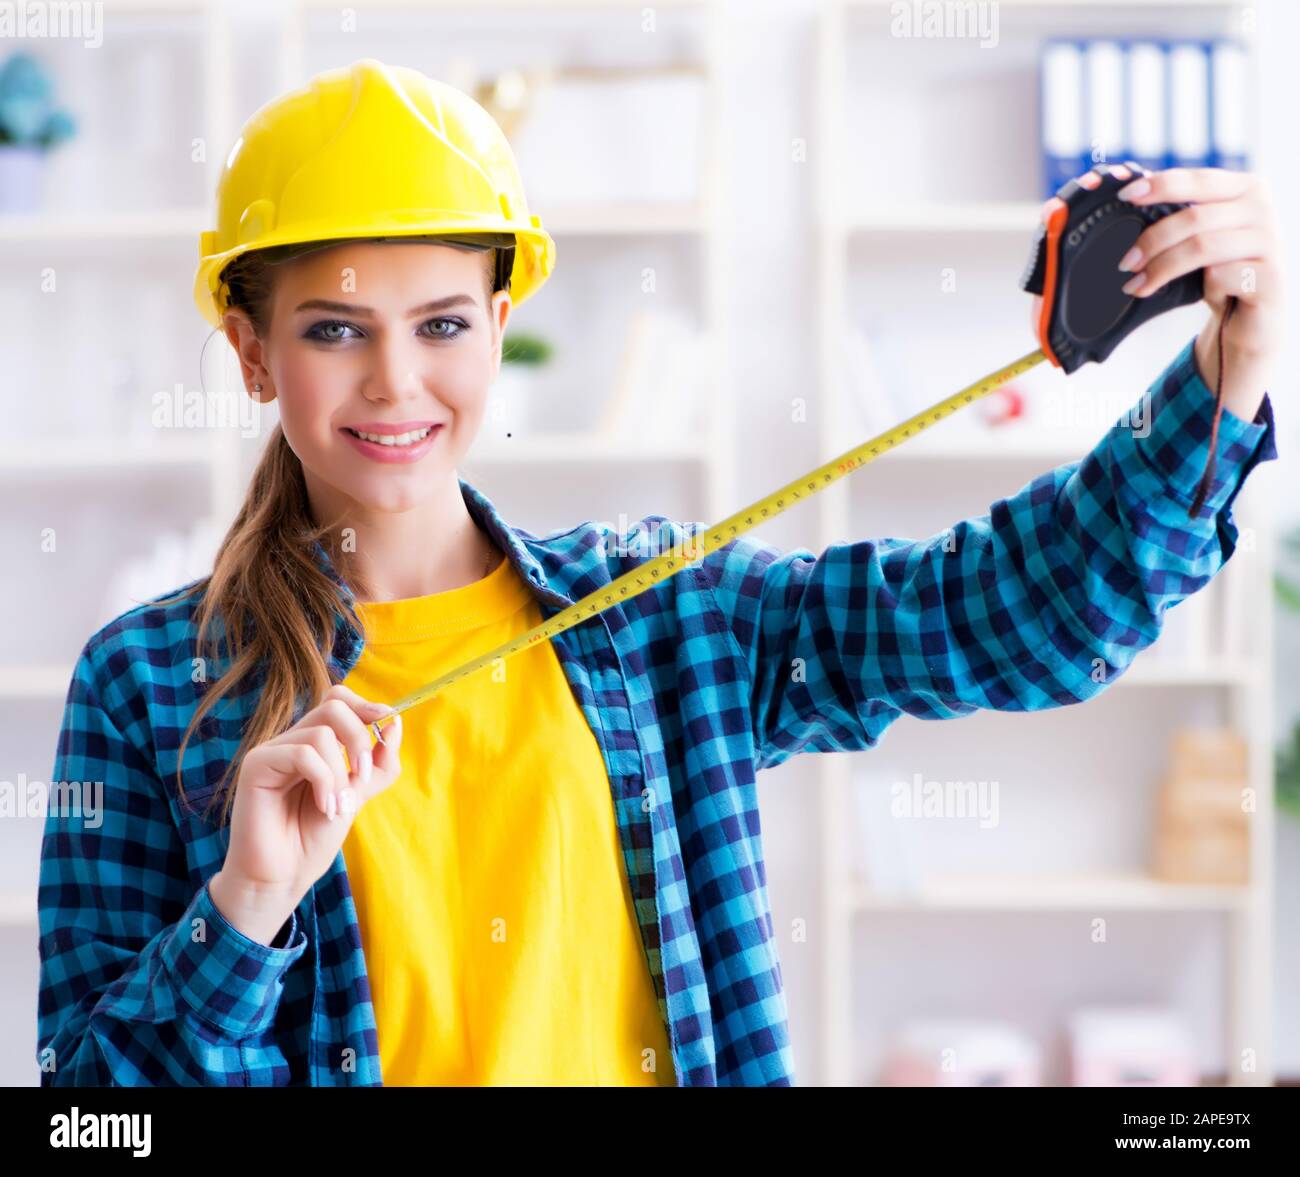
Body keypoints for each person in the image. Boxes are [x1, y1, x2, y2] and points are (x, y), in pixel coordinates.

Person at [36, 59, 1281, 1087]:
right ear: (252, 355)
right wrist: (246, 906)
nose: (396, 383)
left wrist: (1230, 372)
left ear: (501, 322)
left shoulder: (660, 621)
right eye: (333, 330)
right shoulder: (151, 684)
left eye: (443, 324)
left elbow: (1021, 614)